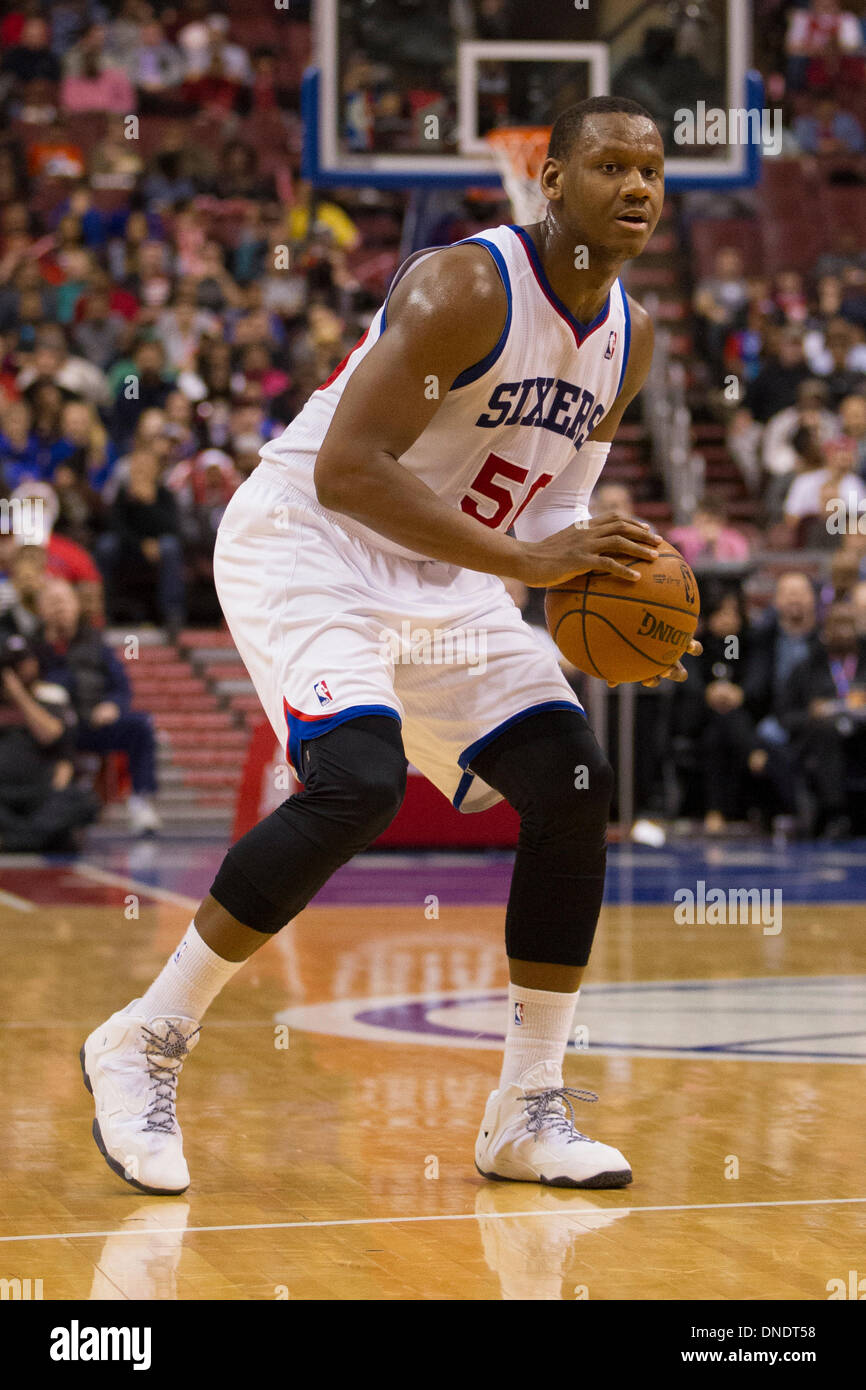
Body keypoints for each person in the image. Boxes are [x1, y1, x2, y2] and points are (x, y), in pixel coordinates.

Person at [82, 96, 700, 1197]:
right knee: (356, 780)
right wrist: (528, 568)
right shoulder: (465, 287)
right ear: (547, 181)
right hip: (309, 544)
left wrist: (612, 590)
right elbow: (348, 472)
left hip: (450, 575)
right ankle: (144, 1037)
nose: (638, 187)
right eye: (609, 165)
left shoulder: (631, 341)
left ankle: (526, 1105)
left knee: (573, 781)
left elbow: (547, 519)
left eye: (652, 169)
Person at [37, 579, 161, 836]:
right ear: (40, 609)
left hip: (92, 722)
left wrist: (112, 705)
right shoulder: (34, 645)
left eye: (64, 600)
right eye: (52, 601)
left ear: (76, 605)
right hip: (53, 729)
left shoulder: (96, 641)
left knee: (140, 726)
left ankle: (141, 801)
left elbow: (121, 685)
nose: (59, 607)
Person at [0, 630, 100, 853]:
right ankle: (38, 839)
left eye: (21, 662)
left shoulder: (51, 698)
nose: (16, 670)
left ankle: (11, 842)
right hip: (3, 796)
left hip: (40, 794)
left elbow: (52, 736)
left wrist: (18, 694)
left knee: (83, 801)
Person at [779, 601, 866, 837]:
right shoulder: (805, 668)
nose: (844, 632)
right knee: (826, 731)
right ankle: (835, 814)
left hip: (860, 734)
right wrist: (812, 713)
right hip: (820, 740)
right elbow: (786, 717)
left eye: (849, 625)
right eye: (837, 625)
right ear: (825, 630)